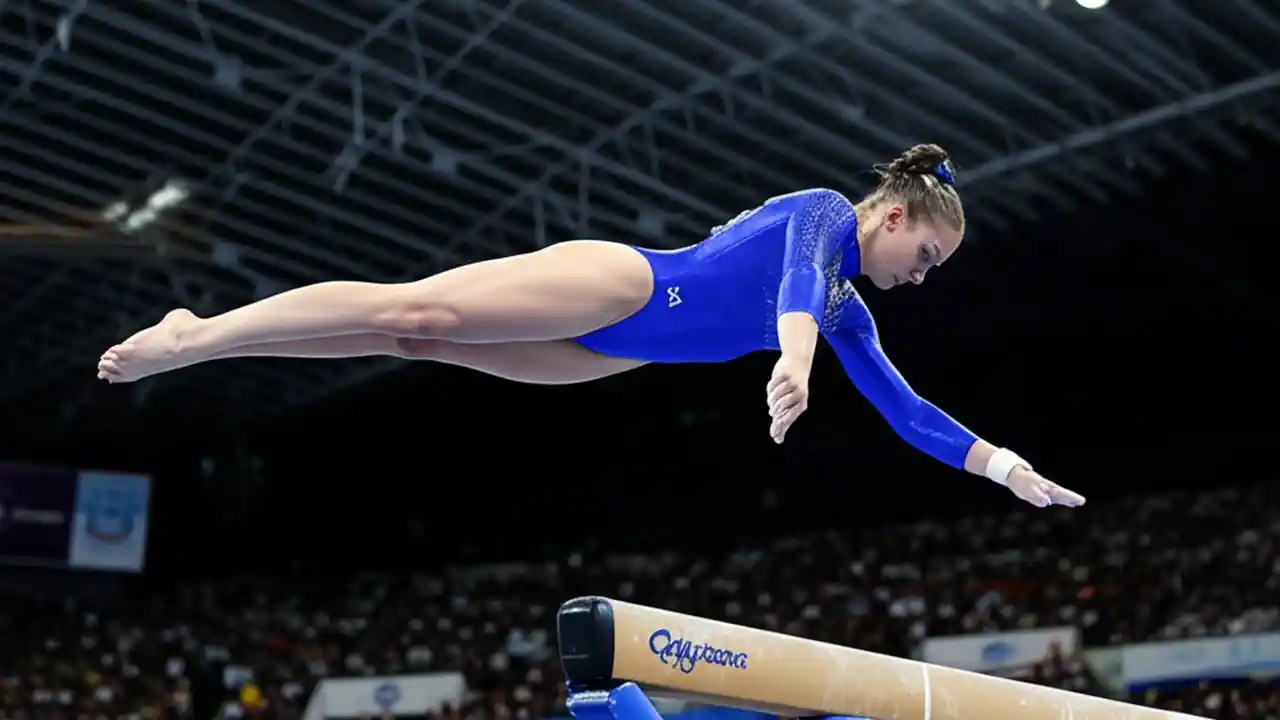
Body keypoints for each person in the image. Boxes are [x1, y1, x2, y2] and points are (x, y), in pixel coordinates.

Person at [97, 143, 1084, 509]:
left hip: (605, 358)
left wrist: (1005, 468)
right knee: (418, 307)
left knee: (418, 345)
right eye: (921, 262)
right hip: (623, 290)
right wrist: (792, 362)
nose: (918, 281)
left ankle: (208, 335)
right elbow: (793, 279)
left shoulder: (848, 314)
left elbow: (908, 414)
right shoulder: (827, 212)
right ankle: (198, 331)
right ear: (895, 218)